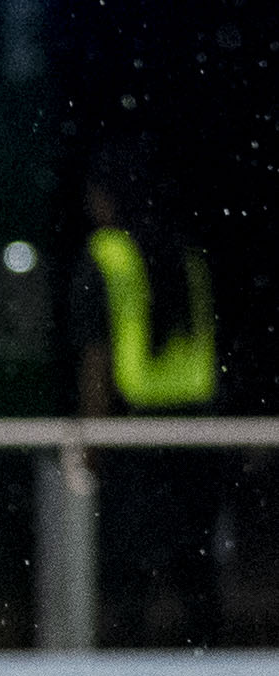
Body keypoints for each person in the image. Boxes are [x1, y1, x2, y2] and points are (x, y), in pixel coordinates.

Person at [71, 139, 223, 647]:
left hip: (134, 433)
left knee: (126, 576)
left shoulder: (106, 257)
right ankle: (207, 672)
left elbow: (98, 357)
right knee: (196, 574)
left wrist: (92, 437)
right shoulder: (187, 252)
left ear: (107, 198)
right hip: (197, 432)